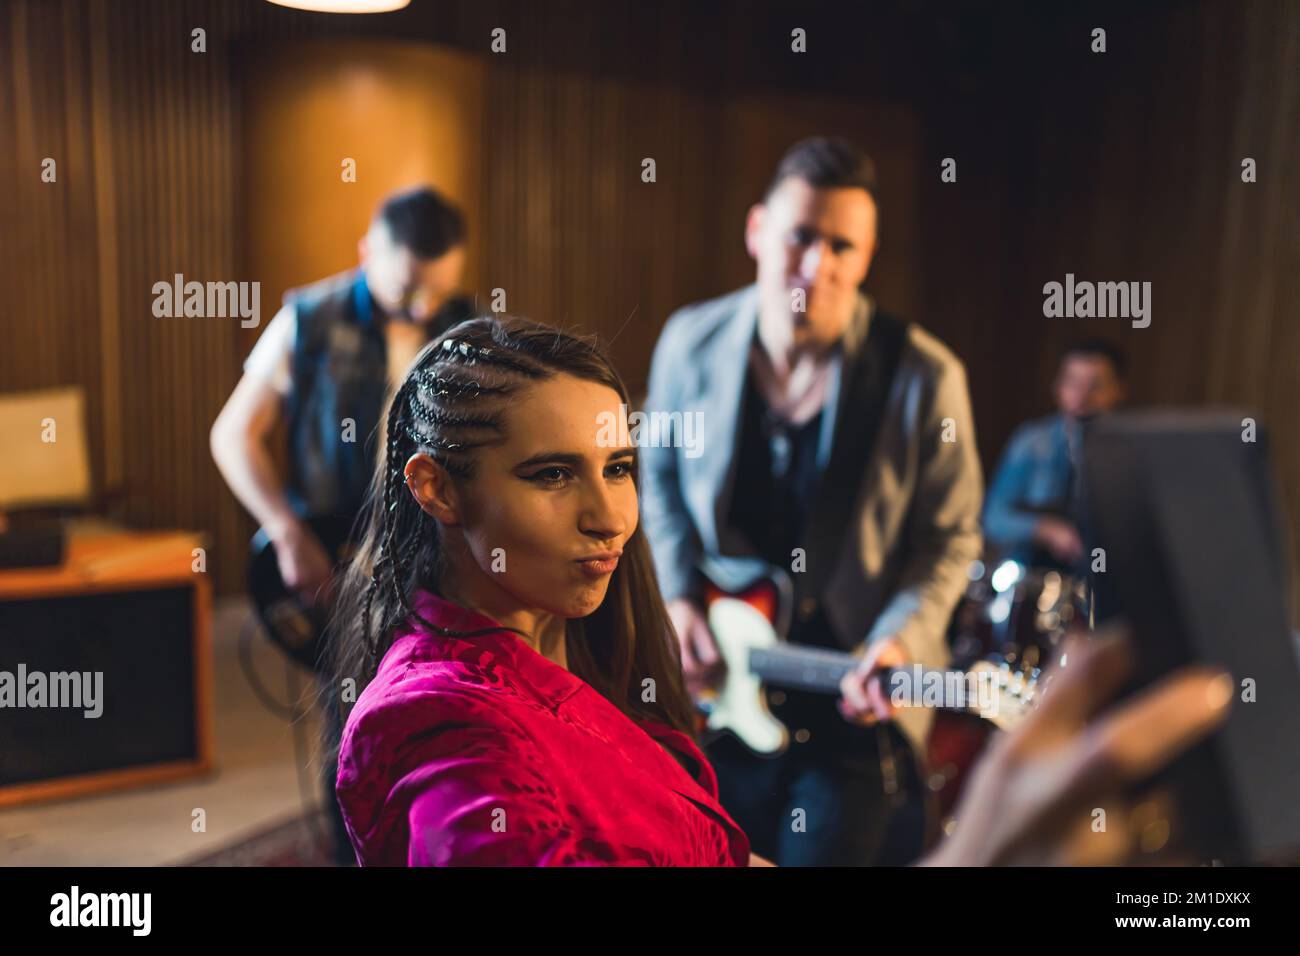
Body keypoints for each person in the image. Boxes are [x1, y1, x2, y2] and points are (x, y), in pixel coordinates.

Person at [326, 315, 1231, 867]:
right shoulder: (436, 722)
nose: (612, 517)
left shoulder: (572, 655)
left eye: (620, 467)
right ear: (435, 486)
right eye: (553, 474)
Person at [639, 137, 983, 865]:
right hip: (719, 694)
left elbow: (949, 541)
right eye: (801, 236)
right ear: (759, 230)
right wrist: (676, 600)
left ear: (867, 256)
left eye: (842, 247)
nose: (816, 266)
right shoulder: (688, 342)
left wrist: (898, 640)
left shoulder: (925, 375)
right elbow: (659, 487)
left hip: (854, 708)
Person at [210, 185, 475, 865]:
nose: (423, 308)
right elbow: (233, 436)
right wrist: (287, 530)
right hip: (338, 566)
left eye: (434, 293)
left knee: (448, 730)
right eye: (408, 288)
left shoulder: (468, 322)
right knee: (354, 737)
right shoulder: (307, 319)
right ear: (368, 253)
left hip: (442, 568)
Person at [982, 339, 1126, 572]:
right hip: (1032, 576)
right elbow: (994, 517)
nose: (1082, 396)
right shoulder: (1032, 442)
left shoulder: (1130, 452)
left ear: (1117, 390)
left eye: (1096, 386)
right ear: (1058, 387)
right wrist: (1049, 531)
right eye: (1073, 383)